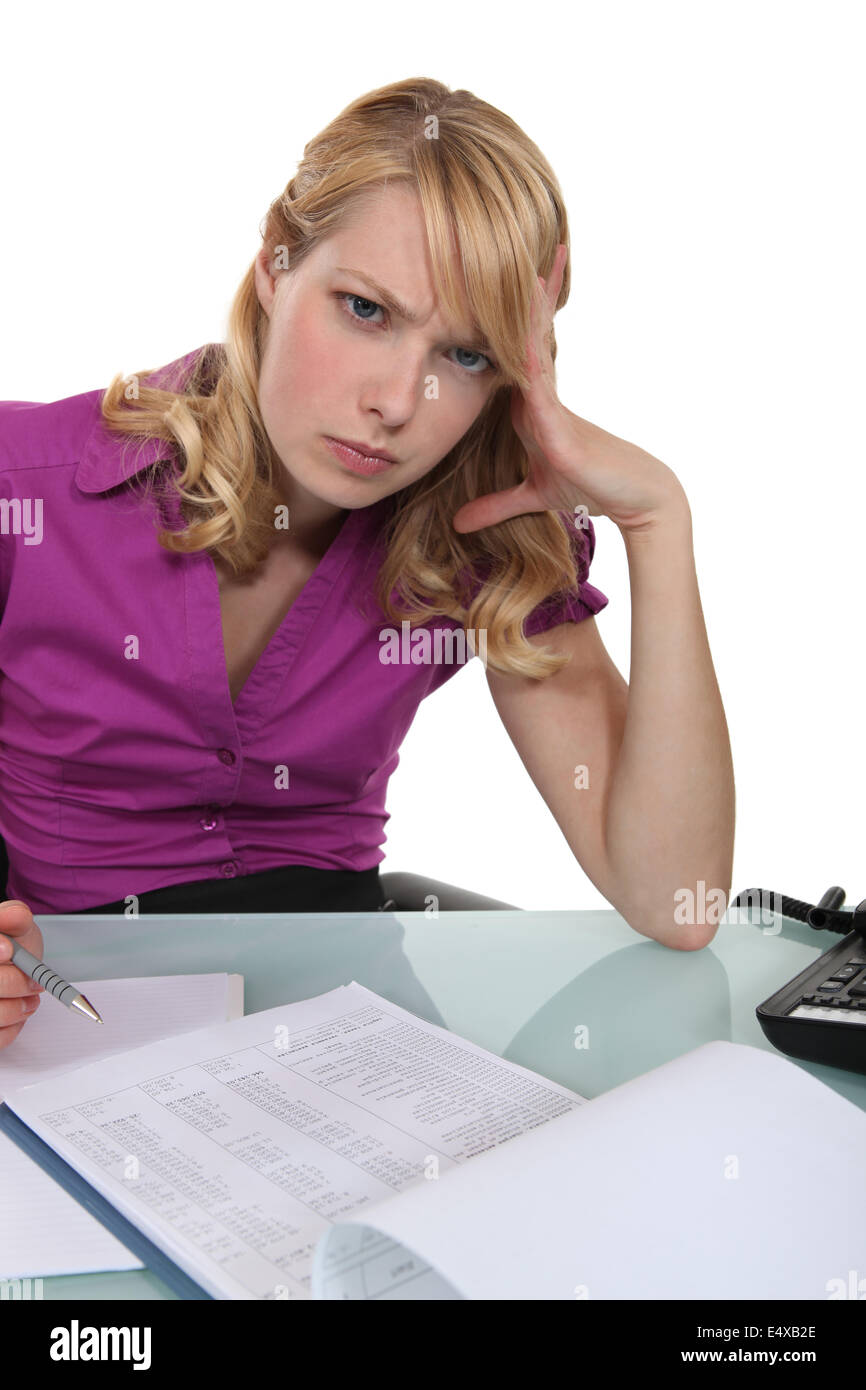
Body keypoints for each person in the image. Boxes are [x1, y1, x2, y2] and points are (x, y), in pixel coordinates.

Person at [0, 76, 735, 1050]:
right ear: (274, 264)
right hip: (64, 1025)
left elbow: (672, 898)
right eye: (364, 309)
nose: (398, 398)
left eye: (465, 357)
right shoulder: (29, 489)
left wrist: (659, 521)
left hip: (347, 1041)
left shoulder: (483, 533)